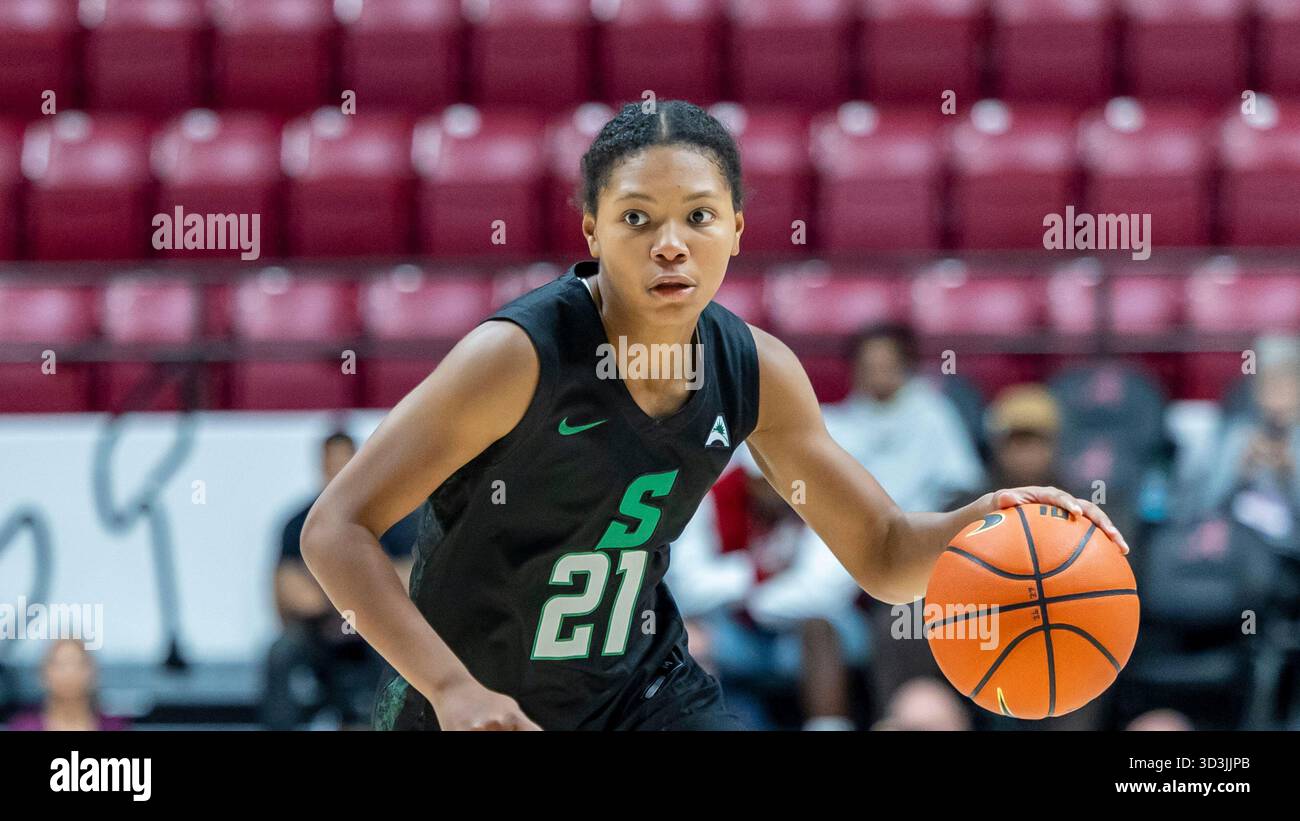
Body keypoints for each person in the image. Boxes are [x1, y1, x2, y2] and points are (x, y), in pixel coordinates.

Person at [299, 100, 1129, 731]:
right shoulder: (515, 358)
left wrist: (979, 526)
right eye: (637, 219)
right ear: (592, 228)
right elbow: (335, 528)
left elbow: (879, 553)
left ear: (736, 226)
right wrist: (450, 688)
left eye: (698, 216)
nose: (671, 244)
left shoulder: (756, 370)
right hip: (470, 700)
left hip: (640, 690)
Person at [263, 430, 419, 729]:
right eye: (330, 464)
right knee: (280, 653)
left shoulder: (391, 517)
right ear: (321, 466)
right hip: (318, 630)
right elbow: (291, 593)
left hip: (376, 630)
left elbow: (410, 581)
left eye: (344, 463)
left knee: (403, 656)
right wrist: (364, 579)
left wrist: (330, 580)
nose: (337, 472)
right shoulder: (298, 523)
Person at [822, 323, 984, 513]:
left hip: (920, 525)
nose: (878, 373)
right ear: (856, 368)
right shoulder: (831, 423)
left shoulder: (933, 413)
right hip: (848, 525)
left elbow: (962, 482)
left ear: (906, 364)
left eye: (886, 364)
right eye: (870, 365)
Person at [6, 639, 129, 731]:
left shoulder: (114, 727)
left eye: (77, 664)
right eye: (60, 665)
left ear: (92, 672)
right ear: (43, 674)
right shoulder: (23, 727)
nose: (68, 673)